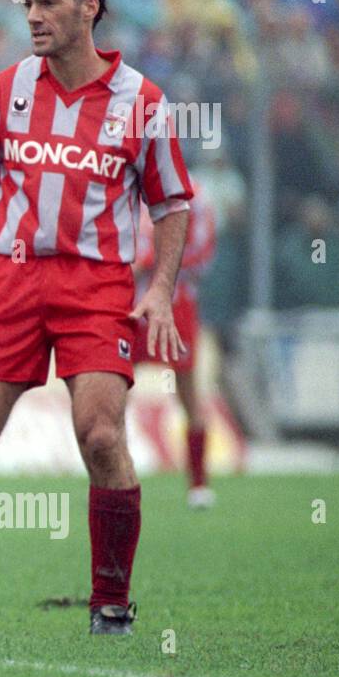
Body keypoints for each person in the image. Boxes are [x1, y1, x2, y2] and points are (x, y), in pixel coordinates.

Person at [0, 0, 193, 636]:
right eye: (27, 4)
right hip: (10, 278)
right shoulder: (4, 93)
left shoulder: (141, 102)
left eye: (48, 3)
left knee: (99, 435)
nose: (33, 16)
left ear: (90, 8)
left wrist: (161, 289)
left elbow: (172, 202)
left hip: (96, 286)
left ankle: (111, 602)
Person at [133, 183, 217, 507]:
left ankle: (198, 482)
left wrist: (154, 260)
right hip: (130, 299)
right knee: (114, 385)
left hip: (176, 302)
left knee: (187, 390)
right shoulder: (129, 185)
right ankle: (111, 478)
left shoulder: (196, 195)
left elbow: (204, 250)